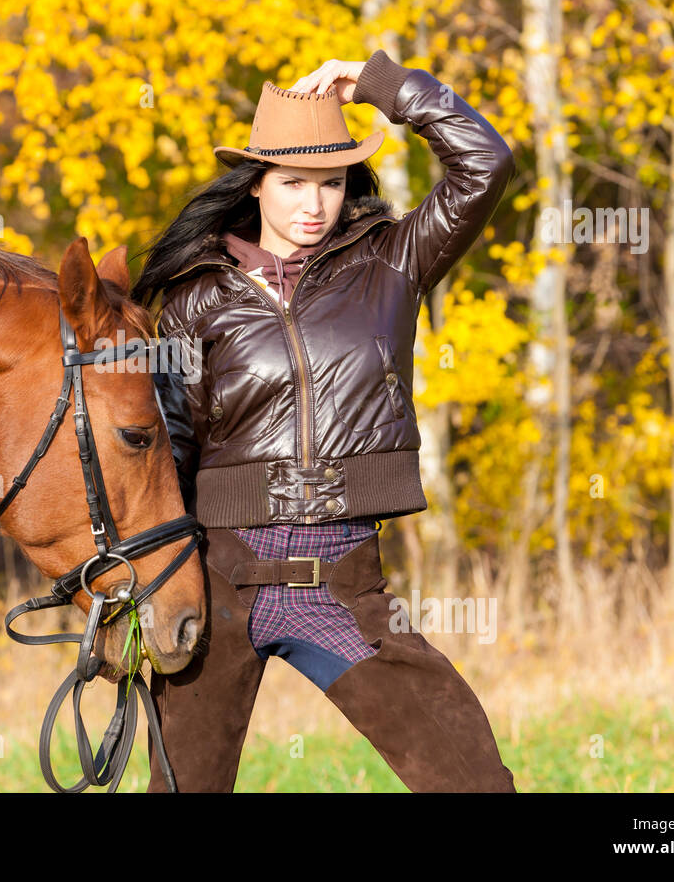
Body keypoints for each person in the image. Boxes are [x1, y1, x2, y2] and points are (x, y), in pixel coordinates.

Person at [130, 49, 519, 792]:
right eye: (295, 183)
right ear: (256, 183)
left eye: (332, 184)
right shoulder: (193, 299)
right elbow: (171, 448)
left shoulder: (392, 262)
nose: (314, 204)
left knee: (473, 782)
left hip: (343, 582)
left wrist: (379, 84)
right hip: (219, 581)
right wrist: (151, 580)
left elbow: (486, 163)